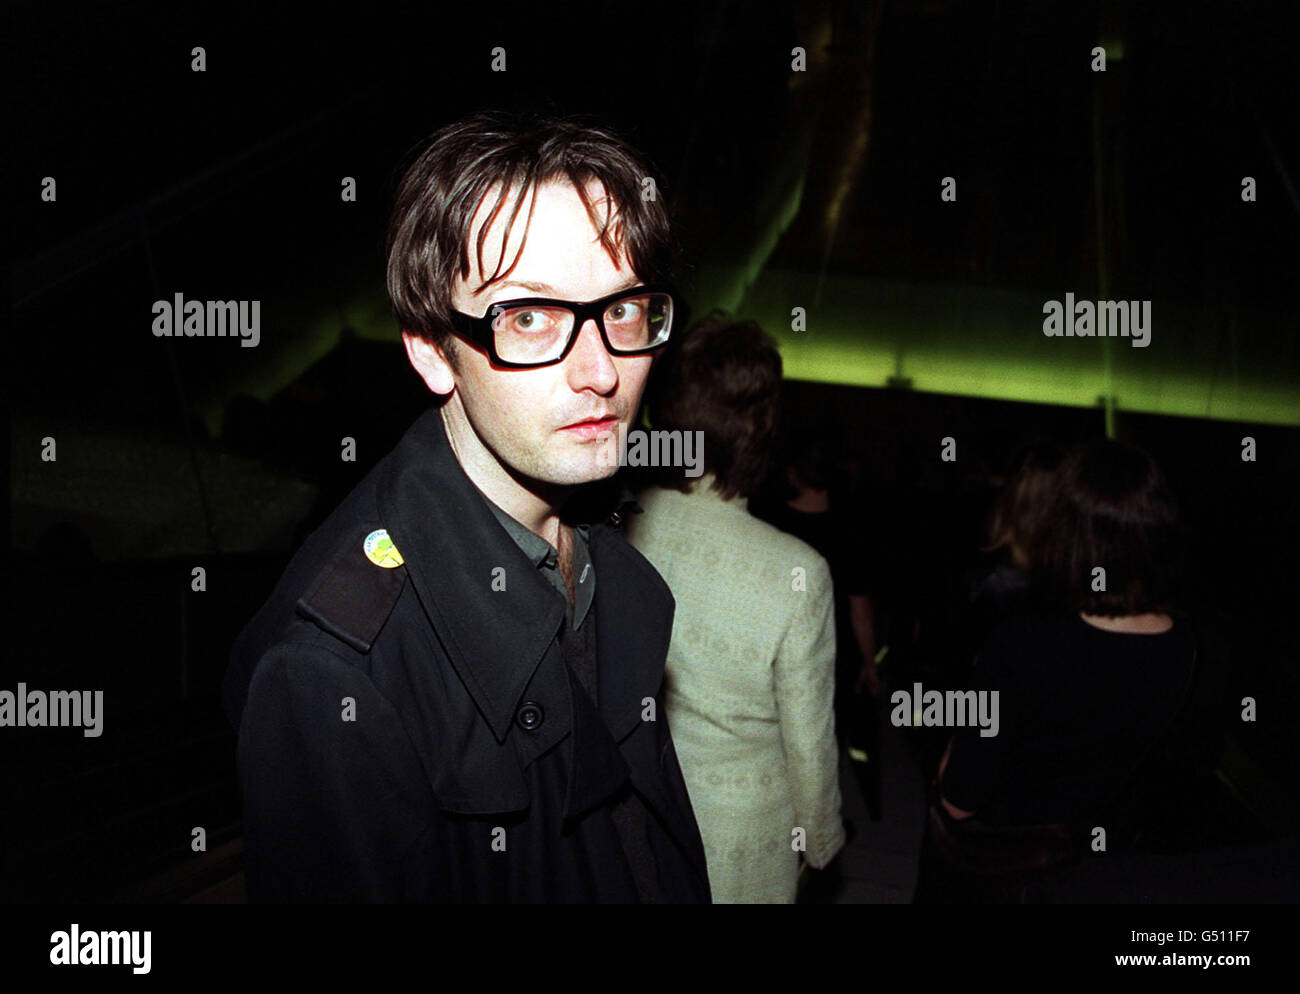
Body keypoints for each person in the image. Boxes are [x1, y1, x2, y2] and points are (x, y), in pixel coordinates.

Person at [221, 110, 711, 903]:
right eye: (529, 317)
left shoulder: (603, 556)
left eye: (621, 309)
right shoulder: (332, 673)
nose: (600, 372)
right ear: (429, 350)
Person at [920, 437, 1222, 902]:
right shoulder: (1188, 647)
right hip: (1107, 868)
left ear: (1062, 536)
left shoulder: (1022, 643)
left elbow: (960, 799)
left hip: (1008, 870)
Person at [625, 313, 845, 903]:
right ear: (764, 429)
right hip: (741, 837)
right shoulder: (798, 573)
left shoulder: (624, 523)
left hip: (635, 808)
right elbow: (809, 737)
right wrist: (822, 841)